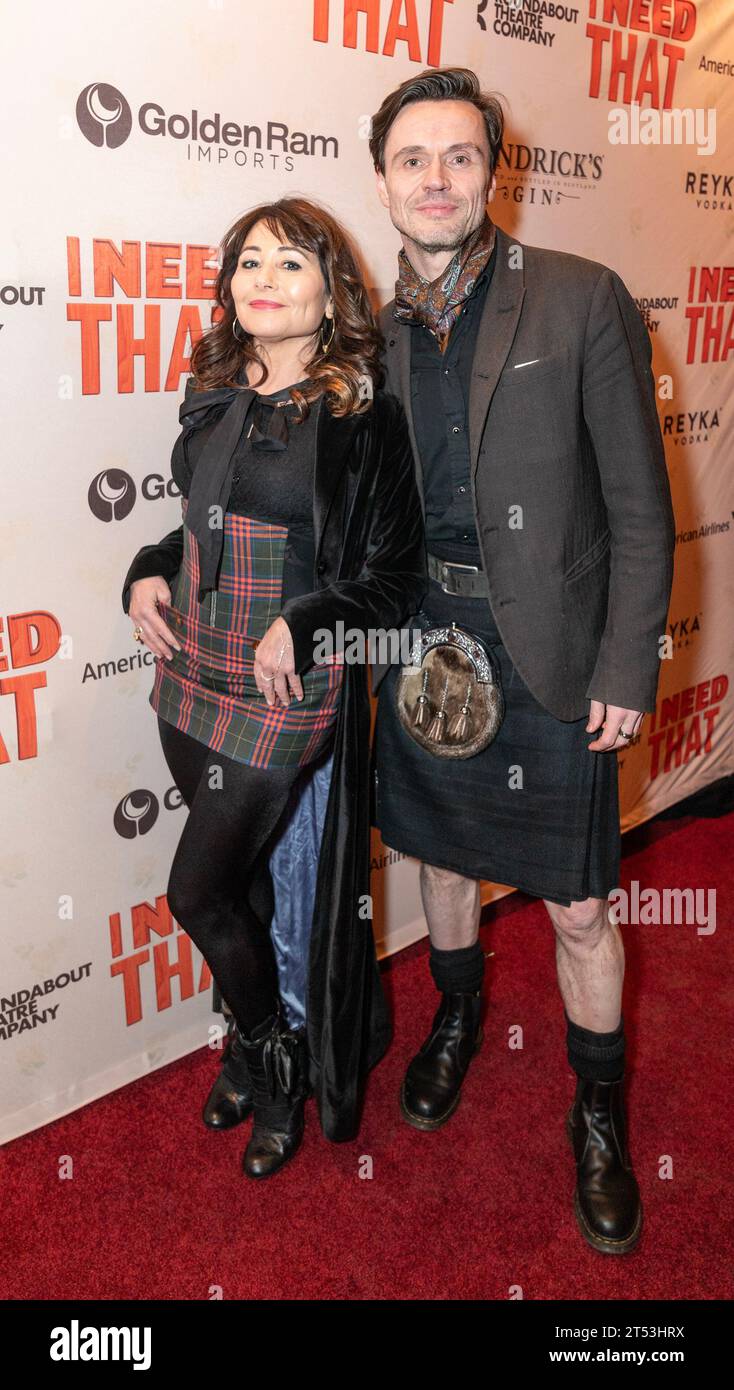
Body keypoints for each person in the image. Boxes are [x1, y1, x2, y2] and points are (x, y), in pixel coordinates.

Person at [367, 68, 675, 1254]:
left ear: (493, 170)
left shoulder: (579, 297)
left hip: (549, 652)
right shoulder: (369, 328)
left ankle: (597, 1112)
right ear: (382, 179)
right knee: (441, 868)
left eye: (456, 156)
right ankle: (455, 1021)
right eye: (410, 158)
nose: (433, 179)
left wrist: (624, 668)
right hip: (421, 652)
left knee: (581, 906)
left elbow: (640, 516)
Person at [121, 197, 427, 1178]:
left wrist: (303, 620)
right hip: (190, 667)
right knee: (237, 888)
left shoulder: (362, 417)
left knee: (193, 891)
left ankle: (279, 1066)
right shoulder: (212, 395)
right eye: (248, 261)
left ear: (330, 289)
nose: (262, 278)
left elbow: (391, 582)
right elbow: (194, 530)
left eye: (289, 263)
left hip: (281, 686)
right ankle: (255, 1050)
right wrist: (144, 567)